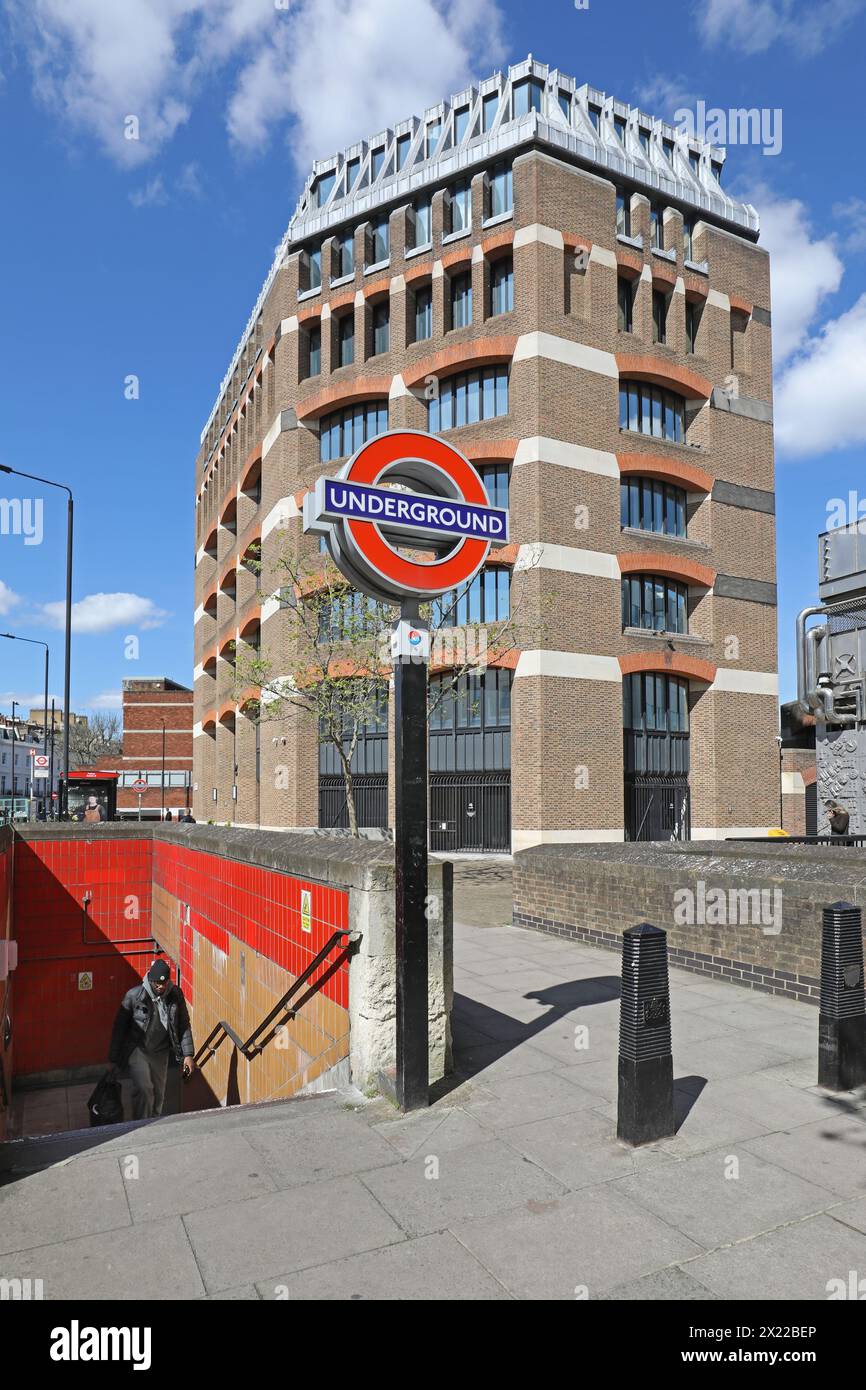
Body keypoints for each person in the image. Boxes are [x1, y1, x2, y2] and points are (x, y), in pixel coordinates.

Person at [108, 959, 195, 1120]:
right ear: (150, 980)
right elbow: (119, 1028)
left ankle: (153, 1122)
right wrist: (113, 1059)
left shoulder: (175, 994)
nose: (160, 987)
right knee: (144, 1089)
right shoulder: (134, 996)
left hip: (160, 1052)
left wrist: (188, 1054)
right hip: (138, 1050)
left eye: (164, 983)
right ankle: (140, 1125)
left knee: (158, 1094)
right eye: (156, 984)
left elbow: (183, 1024)